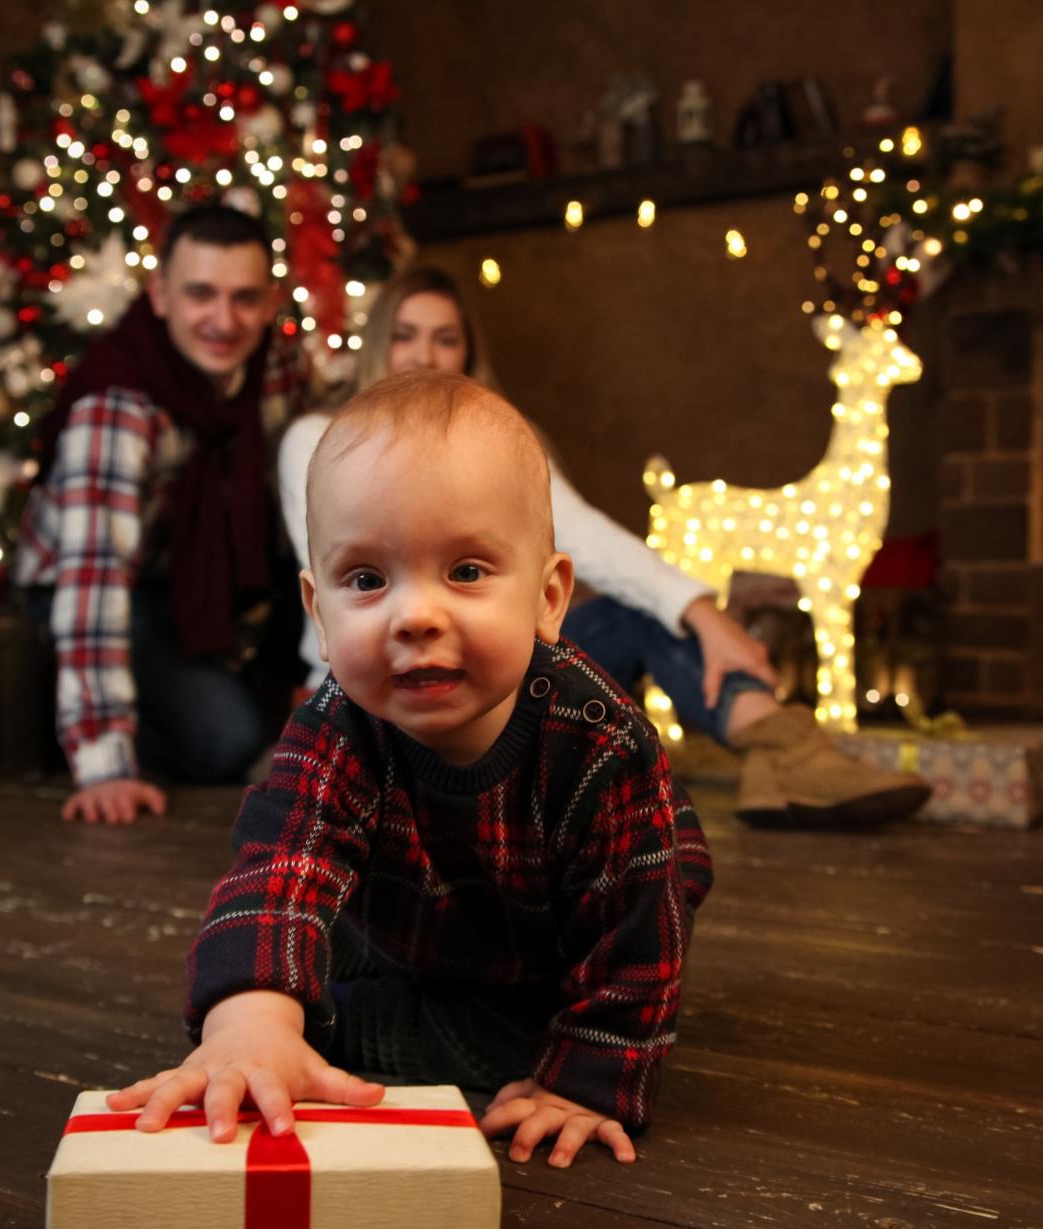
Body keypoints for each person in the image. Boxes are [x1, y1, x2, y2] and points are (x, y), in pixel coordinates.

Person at [110, 371, 713, 1168]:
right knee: (281, 972)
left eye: (466, 571)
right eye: (366, 580)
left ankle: (388, 1026)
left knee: (522, 1035)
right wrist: (249, 1025)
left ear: (549, 597)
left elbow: (634, 927)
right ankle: (311, 1019)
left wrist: (592, 1077)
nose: (416, 616)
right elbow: (280, 869)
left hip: (558, 938)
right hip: (410, 914)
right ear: (319, 614)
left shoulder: (599, 740)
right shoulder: (333, 727)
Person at [277, 267, 929, 828]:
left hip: (485, 667)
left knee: (641, 612)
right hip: (367, 685)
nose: (424, 354)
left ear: (468, 355)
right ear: (375, 345)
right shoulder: (323, 438)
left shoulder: (492, 444)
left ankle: (786, 751)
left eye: (445, 339)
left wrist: (701, 612)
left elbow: (583, 533)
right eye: (406, 335)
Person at [15, 205, 305, 825]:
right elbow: (95, 576)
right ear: (161, 295)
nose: (223, 321)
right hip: (79, 583)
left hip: (177, 580)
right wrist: (105, 769)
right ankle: (74, 720)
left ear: (271, 300)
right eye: (201, 294)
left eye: (245, 298)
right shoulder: (117, 406)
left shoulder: (272, 368)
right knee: (222, 741)